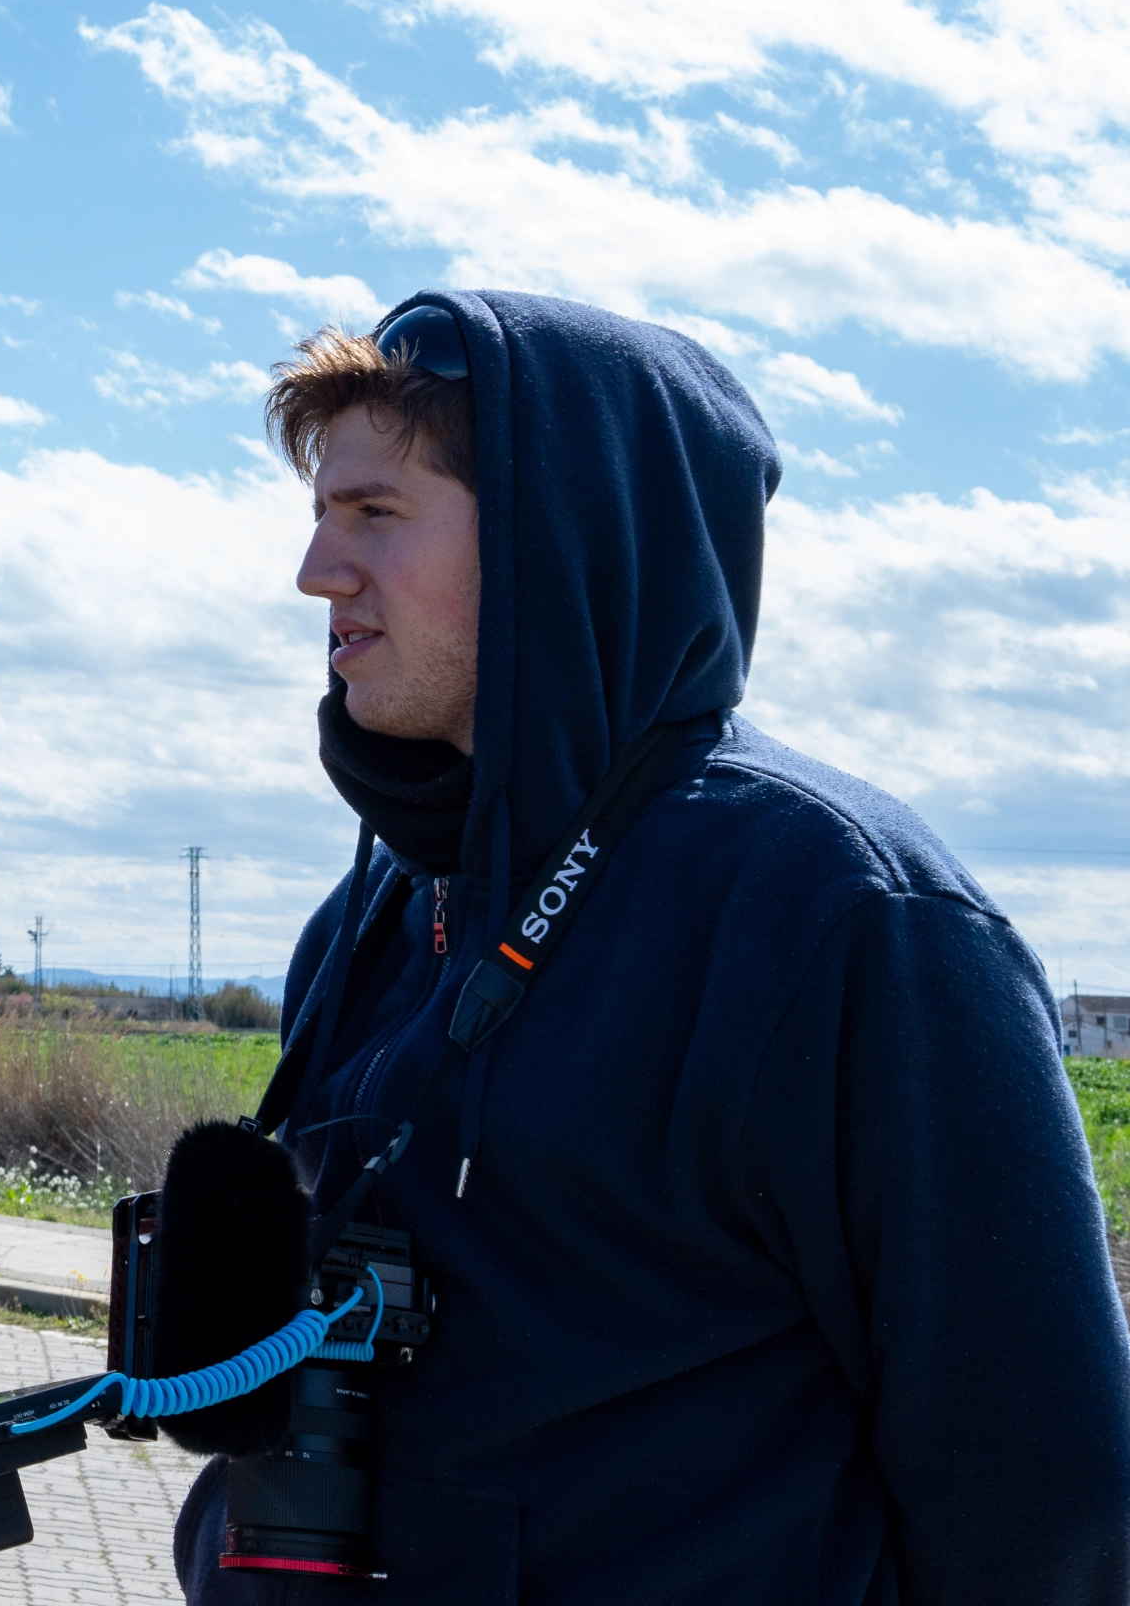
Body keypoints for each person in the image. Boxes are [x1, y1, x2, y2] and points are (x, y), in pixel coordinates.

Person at [177, 290, 1130, 1601]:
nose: (317, 573)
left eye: (377, 516)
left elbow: (1043, 1493)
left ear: (555, 542)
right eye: (319, 517)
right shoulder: (368, 926)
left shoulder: (843, 916)